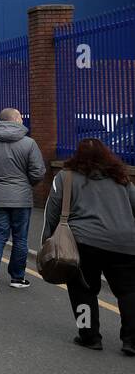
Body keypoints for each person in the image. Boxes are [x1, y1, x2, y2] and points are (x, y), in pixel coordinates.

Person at [42, 138, 135, 354]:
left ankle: (89, 336)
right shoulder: (122, 179)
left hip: (83, 243)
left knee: (83, 290)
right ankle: (131, 340)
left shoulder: (65, 177)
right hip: (124, 243)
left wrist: (47, 241)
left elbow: (52, 212)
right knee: (129, 291)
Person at [0, 107, 45, 291]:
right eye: (20, 116)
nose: (22, 119)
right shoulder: (29, 143)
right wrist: (26, 183)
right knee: (20, 239)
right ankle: (17, 277)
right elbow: (38, 172)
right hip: (21, 198)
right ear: (15, 119)